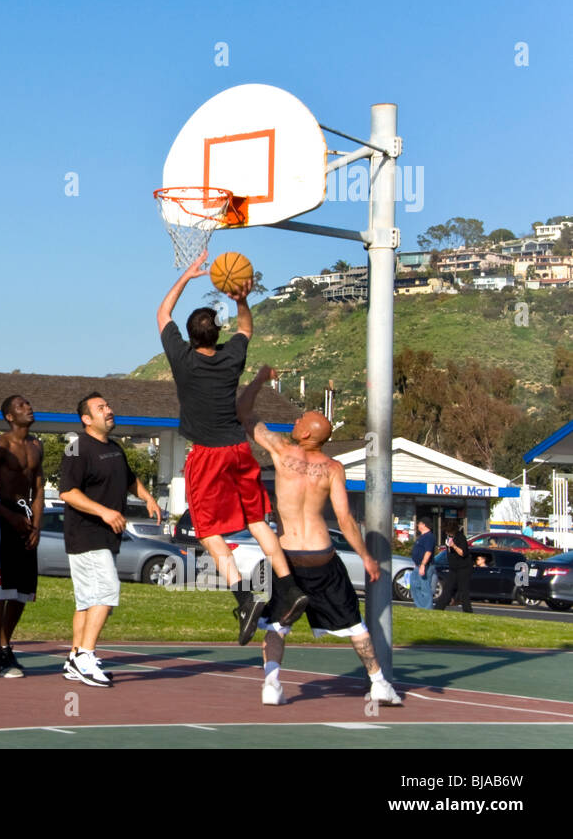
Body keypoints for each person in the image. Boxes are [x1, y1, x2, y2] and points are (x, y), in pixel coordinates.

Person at [157, 247, 308, 644]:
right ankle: (289, 586)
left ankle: (244, 598)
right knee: (258, 520)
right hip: (240, 451)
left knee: (207, 531)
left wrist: (189, 275)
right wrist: (241, 300)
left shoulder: (182, 360)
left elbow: (162, 314)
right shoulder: (231, 358)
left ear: (189, 339)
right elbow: (246, 329)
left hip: (207, 454)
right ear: (217, 335)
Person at [237, 366, 402, 707]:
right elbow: (344, 518)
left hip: (288, 559)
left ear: (308, 435)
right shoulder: (332, 468)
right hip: (321, 556)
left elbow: (244, 413)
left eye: (302, 420)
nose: (296, 421)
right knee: (354, 626)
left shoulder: (281, 451)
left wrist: (257, 381)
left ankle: (271, 683)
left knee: (276, 625)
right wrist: (367, 557)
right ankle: (379, 683)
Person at [57, 392, 162, 688]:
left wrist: (146, 496)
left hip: (107, 536)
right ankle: (86, 657)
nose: (109, 410)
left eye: (108, 406)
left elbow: (129, 478)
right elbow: (67, 492)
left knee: (89, 601)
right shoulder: (77, 448)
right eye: (100, 408)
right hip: (86, 534)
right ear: (86, 419)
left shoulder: (114, 448)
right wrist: (104, 512)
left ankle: (74, 656)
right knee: (107, 591)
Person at [0, 394, 43, 678]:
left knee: (22, 591)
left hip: (26, 519)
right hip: (1, 519)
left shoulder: (36, 445)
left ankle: (4, 645)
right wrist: (9, 516)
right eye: (20, 406)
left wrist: (36, 525)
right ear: (9, 416)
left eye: (29, 403)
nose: (28, 407)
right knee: (0, 592)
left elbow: (38, 487)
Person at [434, 521, 473, 613]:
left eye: (448, 531)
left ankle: (467, 611)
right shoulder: (448, 538)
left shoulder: (460, 537)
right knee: (447, 588)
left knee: (463, 590)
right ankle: (438, 609)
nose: (447, 533)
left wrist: (454, 546)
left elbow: (463, 553)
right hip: (453, 568)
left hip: (464, 568)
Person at [409, 518, 438, 609]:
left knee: (425, 587)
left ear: (424, 525)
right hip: (417, 565)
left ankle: (427, 608)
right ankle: (420, 606)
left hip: (425, 566)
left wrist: (423, 565)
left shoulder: (429, 537)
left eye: (419, 524)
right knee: (414, 585)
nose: (418, 525)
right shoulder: (422, 536)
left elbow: (428, 552)